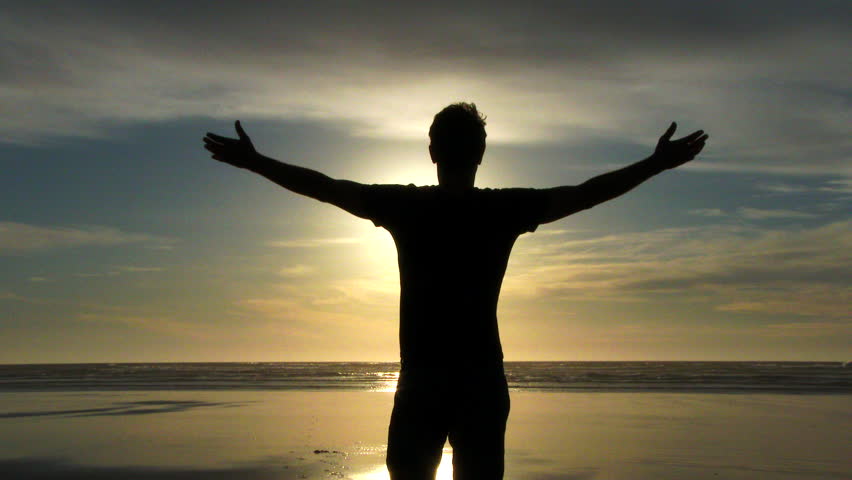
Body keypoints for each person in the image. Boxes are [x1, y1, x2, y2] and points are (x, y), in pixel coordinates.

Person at [203, 102, 707, 479]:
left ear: (431, 152)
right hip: (481, 381)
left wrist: (257, 162)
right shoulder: (502, 209)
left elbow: (325, 186)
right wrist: (653, 165)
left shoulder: (408, 207)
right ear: (481, 154)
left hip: (423, 381)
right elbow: (587, 193)